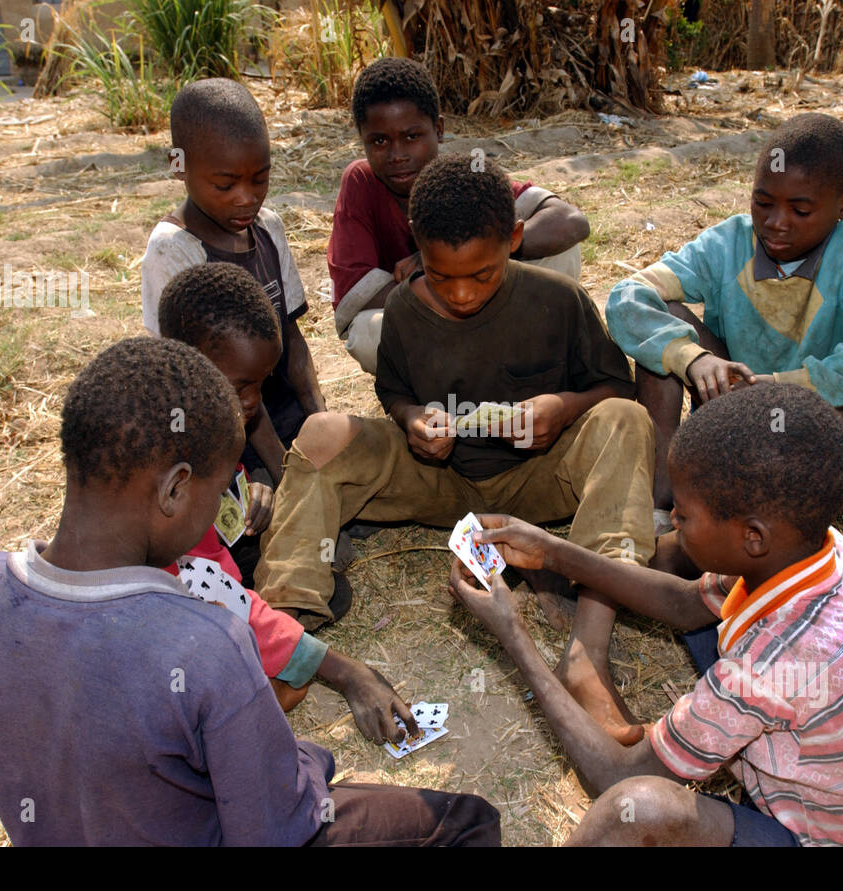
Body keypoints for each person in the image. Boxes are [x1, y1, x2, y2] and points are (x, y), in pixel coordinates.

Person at [0, 337, 500, 846]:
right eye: (216, 495)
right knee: (469, 823)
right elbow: (274, 827)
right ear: (176, 490)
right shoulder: (206, 643)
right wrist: (310, 759)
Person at [258, 154, 656, 746]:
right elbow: (392, 392)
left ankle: (587, 655)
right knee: (320, 435)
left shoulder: (557, 299)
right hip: (439, 480)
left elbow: (615, 387)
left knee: (624, 420)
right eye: (442, 277)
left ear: (514, 240)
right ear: (416, 249)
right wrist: (412, 419)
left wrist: (562, 408)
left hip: (539, 482)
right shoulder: (403, 308)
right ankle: (284, 636)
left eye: (483, 275)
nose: (462, 293)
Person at [449, 383, 843, 846]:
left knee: (634, 808)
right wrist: (552, 551)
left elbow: (617, 776)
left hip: (842, 839)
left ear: (753, 536)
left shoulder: (766, 666)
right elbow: (686, 604)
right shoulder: (828, 552)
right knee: (703, 608)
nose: (672, 520)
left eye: (684, 514)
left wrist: (514, 636)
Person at [605, 113, 843, 534]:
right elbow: (628, 295)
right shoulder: (728, 243)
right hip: (731, 407)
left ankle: (822, 498)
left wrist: (786, 386)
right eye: (763, 203)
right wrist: (692, 359)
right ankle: (664, 502)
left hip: (810, 426)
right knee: (664, 326)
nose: (776, 222)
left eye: (800, 210)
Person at [157, 262, 415, 742]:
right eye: (239, 386)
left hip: (205, 573)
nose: (252, 402)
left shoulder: (211, 427)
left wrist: (247, 491)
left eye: (260, 384)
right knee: (284, 681)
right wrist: (341, 670)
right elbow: (202, 581)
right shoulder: (164, 456)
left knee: (327, 594)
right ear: (184, 361)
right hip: (168, 606)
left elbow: (217, 559)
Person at [328, 56, 591, 374]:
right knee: (368, 333)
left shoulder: (463, 173)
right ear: (362, 140)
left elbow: (570, 221)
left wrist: (465, 261)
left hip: (487, 305)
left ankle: (502, 362)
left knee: (561, 252)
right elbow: (355, 298)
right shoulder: (360, 182)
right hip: (428, 322)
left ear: (438, 129)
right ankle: (485, 365)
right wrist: (435, 278)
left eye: (412, 136)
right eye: (380, 141)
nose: (398, 155)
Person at [140, 77, 324, 507]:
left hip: (284, 415)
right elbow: (205, 386)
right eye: (225, 185)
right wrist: (284, 472)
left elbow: (294, 342)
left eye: (260, 179)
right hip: (223, 432)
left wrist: (321, 420)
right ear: (178, 165)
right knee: (259, 513)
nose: (247, 199)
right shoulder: (173, 251)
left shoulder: (268, 228)